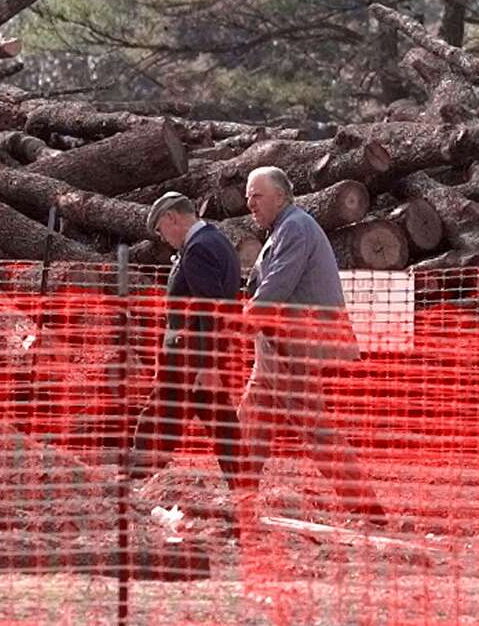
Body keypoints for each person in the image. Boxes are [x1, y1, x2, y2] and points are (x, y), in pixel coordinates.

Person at [236, 166, 387, 529]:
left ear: (280, 195)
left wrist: (244, 317)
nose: (250, 204)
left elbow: (277, 284)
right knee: (250, 421)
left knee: (313, 428)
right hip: (278, 344)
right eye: (247, 197)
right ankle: (241, 498)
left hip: (294, 346)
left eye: (257, 195)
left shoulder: (295, 227)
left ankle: (367, 510)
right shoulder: (284, 229)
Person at [130, 191, 245, 495]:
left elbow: (210, 308)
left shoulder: (198, 249)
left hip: (189, 354)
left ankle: (138, 484)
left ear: (172, 218)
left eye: (160, 228)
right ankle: (243, 486)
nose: (161, 236)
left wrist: (209, 364)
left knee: (158, 418)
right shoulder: (214, 241)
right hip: (196, 352)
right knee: (219, 423)